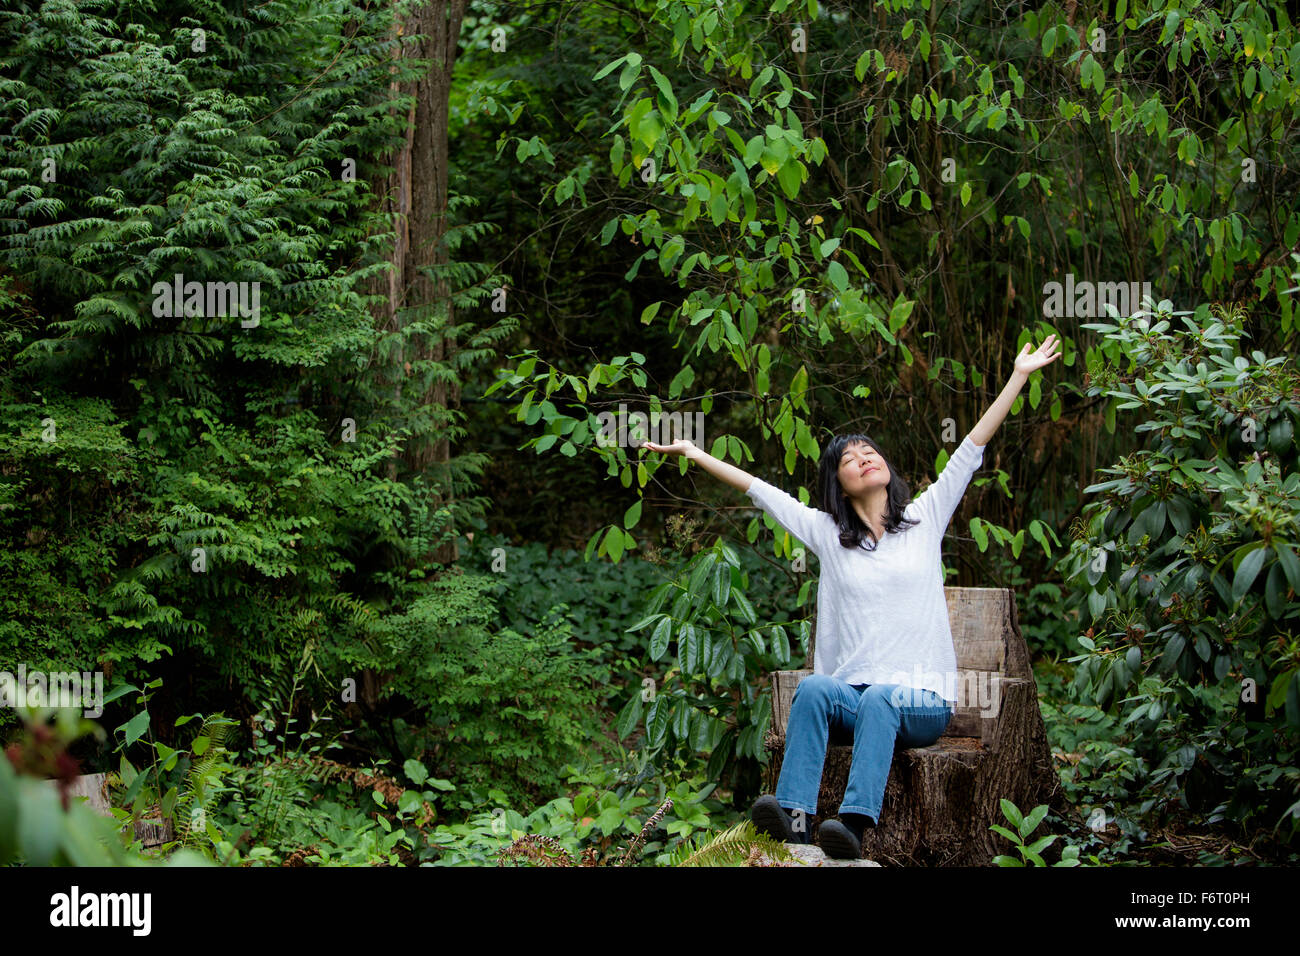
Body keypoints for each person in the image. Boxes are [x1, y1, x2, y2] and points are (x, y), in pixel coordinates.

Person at [643, 334, 1061, 858]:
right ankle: (794, 821)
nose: (864, 458)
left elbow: (971, 447)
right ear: (838, 486)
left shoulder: (925, 518)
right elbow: (759, 490)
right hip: (852, 699)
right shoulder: (826, 534)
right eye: (849, 457)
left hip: (919, 700)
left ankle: (853, 826)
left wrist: (1019, 374)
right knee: (816, 688)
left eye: (870, 451)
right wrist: (693, 451)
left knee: (885, 697)